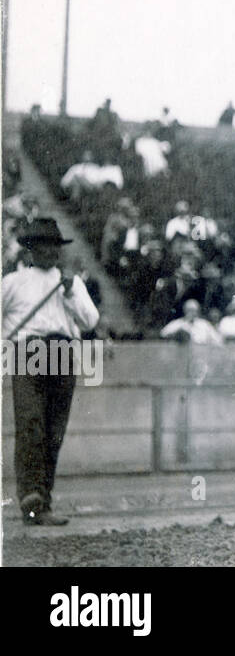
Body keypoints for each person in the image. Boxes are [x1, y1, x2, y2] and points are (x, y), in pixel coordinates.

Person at [2, 218, 100, 526]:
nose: (50, 252)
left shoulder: (71, 283)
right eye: (43, 246)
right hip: (26, 352)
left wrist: (71, 293)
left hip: (62, 354)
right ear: (30, 250)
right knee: (31, 423)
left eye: (54, 246)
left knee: (53, 430)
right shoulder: (13, 282)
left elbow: (90, 321)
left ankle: (43, 500)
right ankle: (30, 499)